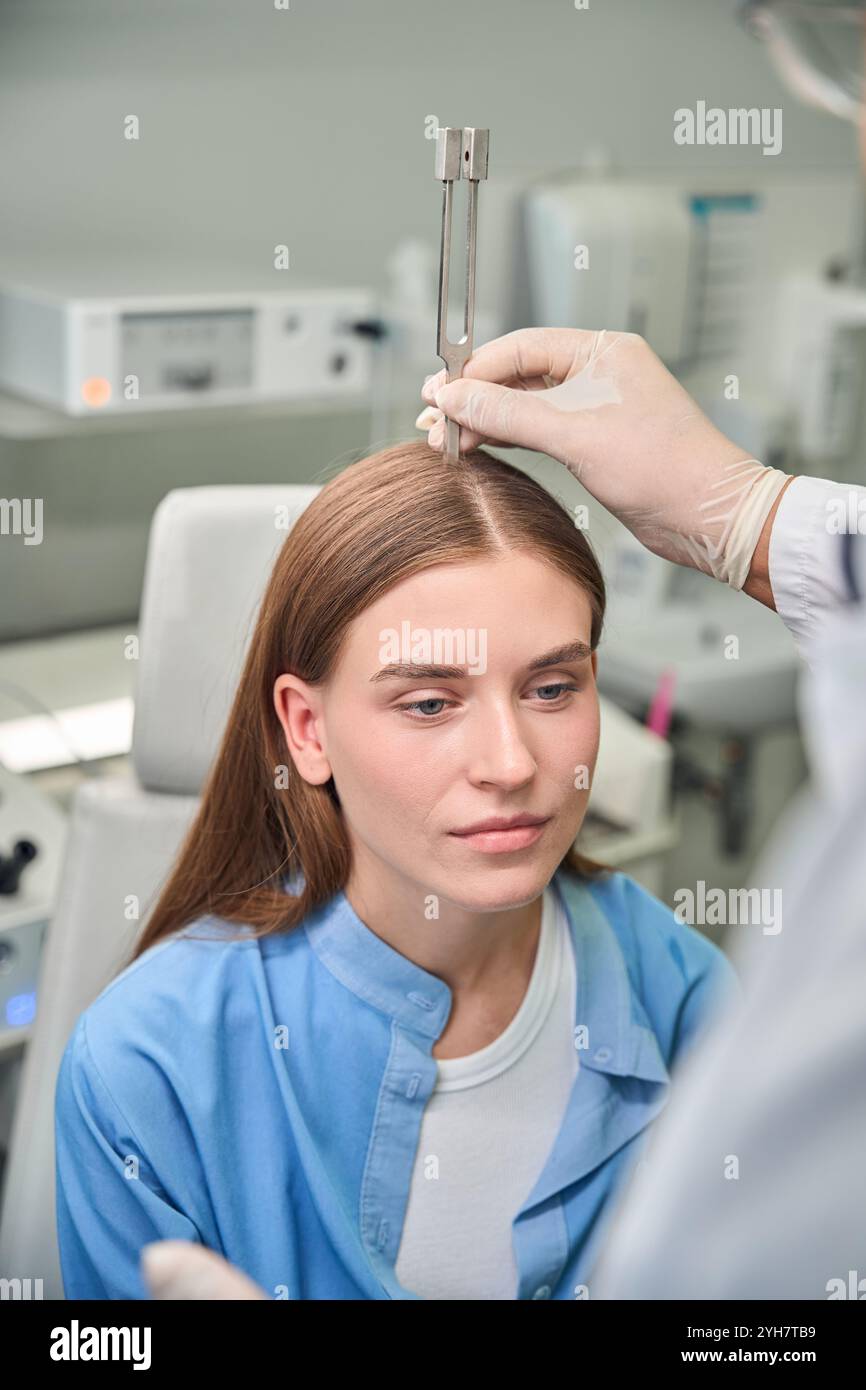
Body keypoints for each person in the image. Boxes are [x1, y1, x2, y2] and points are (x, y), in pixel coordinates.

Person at [54, 441, 740, 1301]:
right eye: (429, 702)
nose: (509, 763)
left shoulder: (685, 1000)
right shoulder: (147, 1066)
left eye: (552, 689)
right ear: (307, 731)